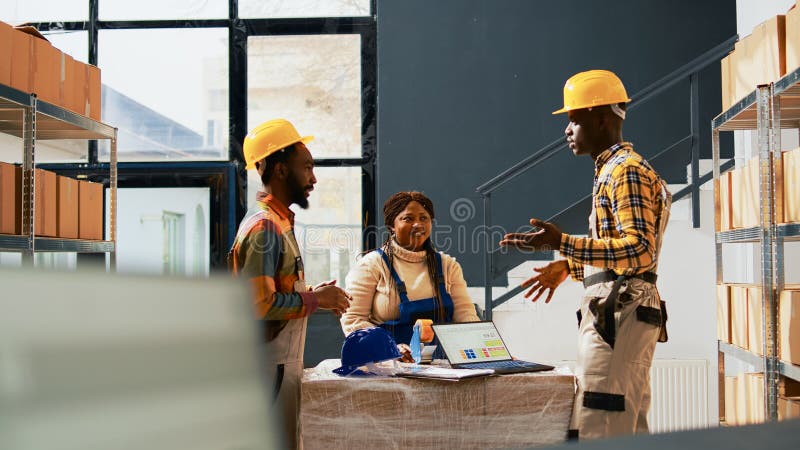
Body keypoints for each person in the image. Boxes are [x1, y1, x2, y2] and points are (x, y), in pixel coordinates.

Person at [499, 70, 671, 440]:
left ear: (602, 118)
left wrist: (562, 243)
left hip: (620, 311)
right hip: (618, 308)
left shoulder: (625, 171)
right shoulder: (611, 169)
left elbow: (639, 250)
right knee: (622, 421)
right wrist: (569, 266)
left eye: (574, 119)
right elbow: (617, 246)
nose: (567, 129)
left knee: (602, 421)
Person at [228, 118, 351, 449]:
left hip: (281, 365)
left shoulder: (279, 223)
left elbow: (274, 293)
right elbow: (260, 305)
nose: (314, 177)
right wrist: (316, 301)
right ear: (280, 170)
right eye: (306, 167)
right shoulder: (264, 228)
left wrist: (313, 295)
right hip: (269, 367)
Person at [341, 191, 480, 360]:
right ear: (392, 224)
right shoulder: (372, 265)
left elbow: (466, 316)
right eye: (408, 218)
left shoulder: (448, 265)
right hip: (389, 363)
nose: (418, 224)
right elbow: (353, 319)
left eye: (424, 218)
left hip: (443, 365)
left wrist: (488, 352)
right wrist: (388, 347)